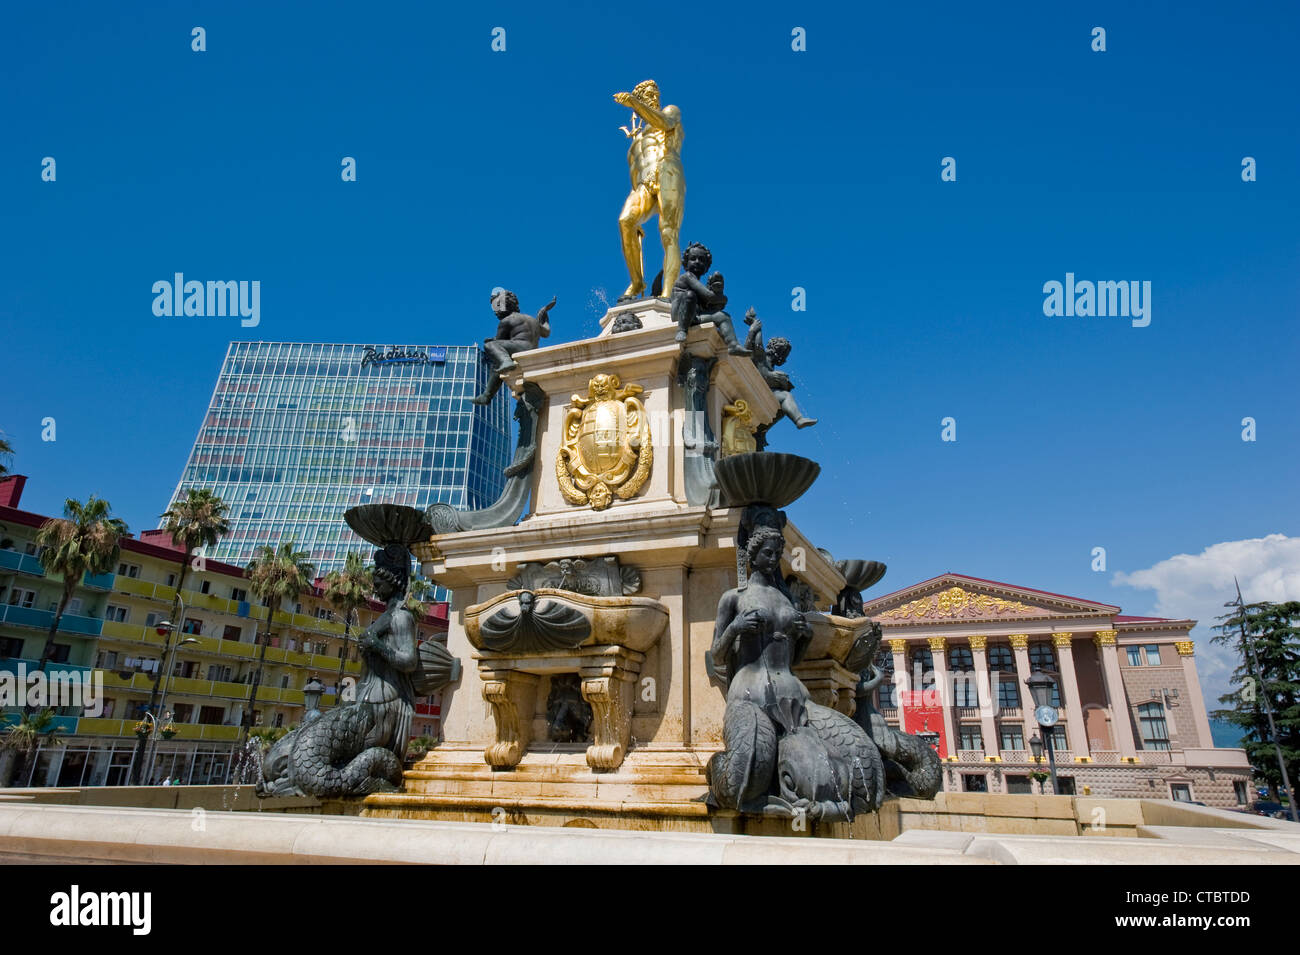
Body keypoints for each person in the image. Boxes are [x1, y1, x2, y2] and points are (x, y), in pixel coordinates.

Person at [614, 80, 685, 301]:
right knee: (626, 221)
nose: (653, 97)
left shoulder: (670, 112)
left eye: (654, 93)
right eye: (646, 94)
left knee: (668, 232)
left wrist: (636, 104)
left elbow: (664, 123)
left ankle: (667, 292)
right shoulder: (638, 137)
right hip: (644, 184)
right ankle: (637, 282)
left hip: (668, 170)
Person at [472, 290, 555, 405]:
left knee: (490, 346)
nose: (495, 311)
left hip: (520, 348)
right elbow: (546, 332)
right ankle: (486, 395)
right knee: (498, 362)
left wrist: (492, 342)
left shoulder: (506, 321)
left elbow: (499, 341)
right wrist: (543, 315)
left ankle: (489, 392)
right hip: (532, 350)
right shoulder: (532, 320)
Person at [669, 243, 749, 354]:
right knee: (690, 295)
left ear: (706, 267)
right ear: (686, 263)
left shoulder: (696, 282)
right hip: (681, 316)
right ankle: (682, 330)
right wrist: (722, 298)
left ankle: (733, 345)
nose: (697, 261)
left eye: (701, 260)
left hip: (694, 317)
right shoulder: (687, 277)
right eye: (693, 259)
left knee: (723, 317)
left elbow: (707, 302)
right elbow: (708, 296)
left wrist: (717, 295)